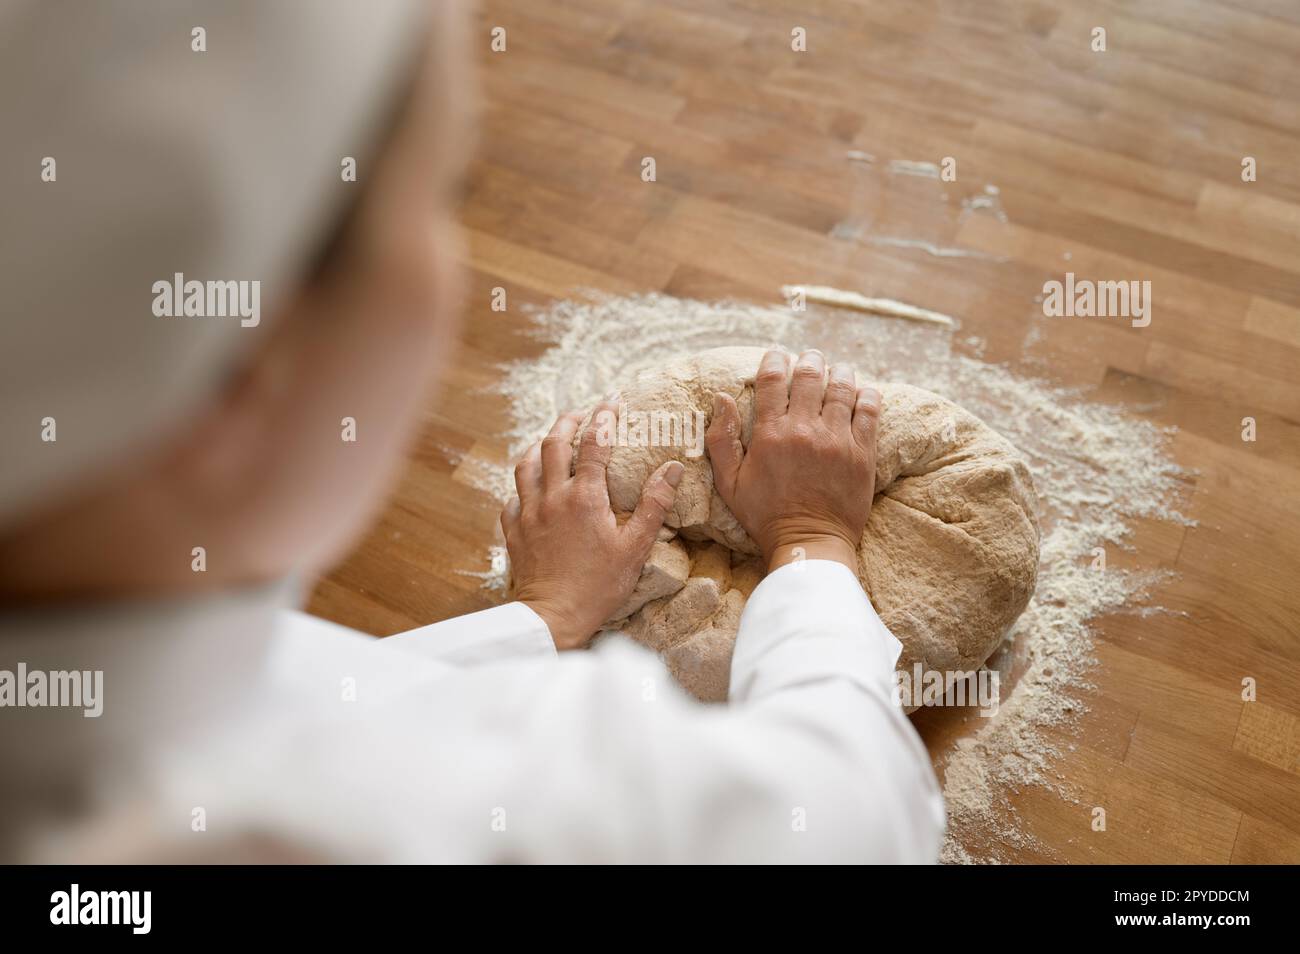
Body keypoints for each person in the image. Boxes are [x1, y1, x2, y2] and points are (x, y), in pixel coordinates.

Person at [0, 0, 944, 862]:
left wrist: (537, 623)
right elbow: (853, 816)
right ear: (245, 362)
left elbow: (323, 703)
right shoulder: (424, 819)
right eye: (442, 194)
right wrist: (813, 539)